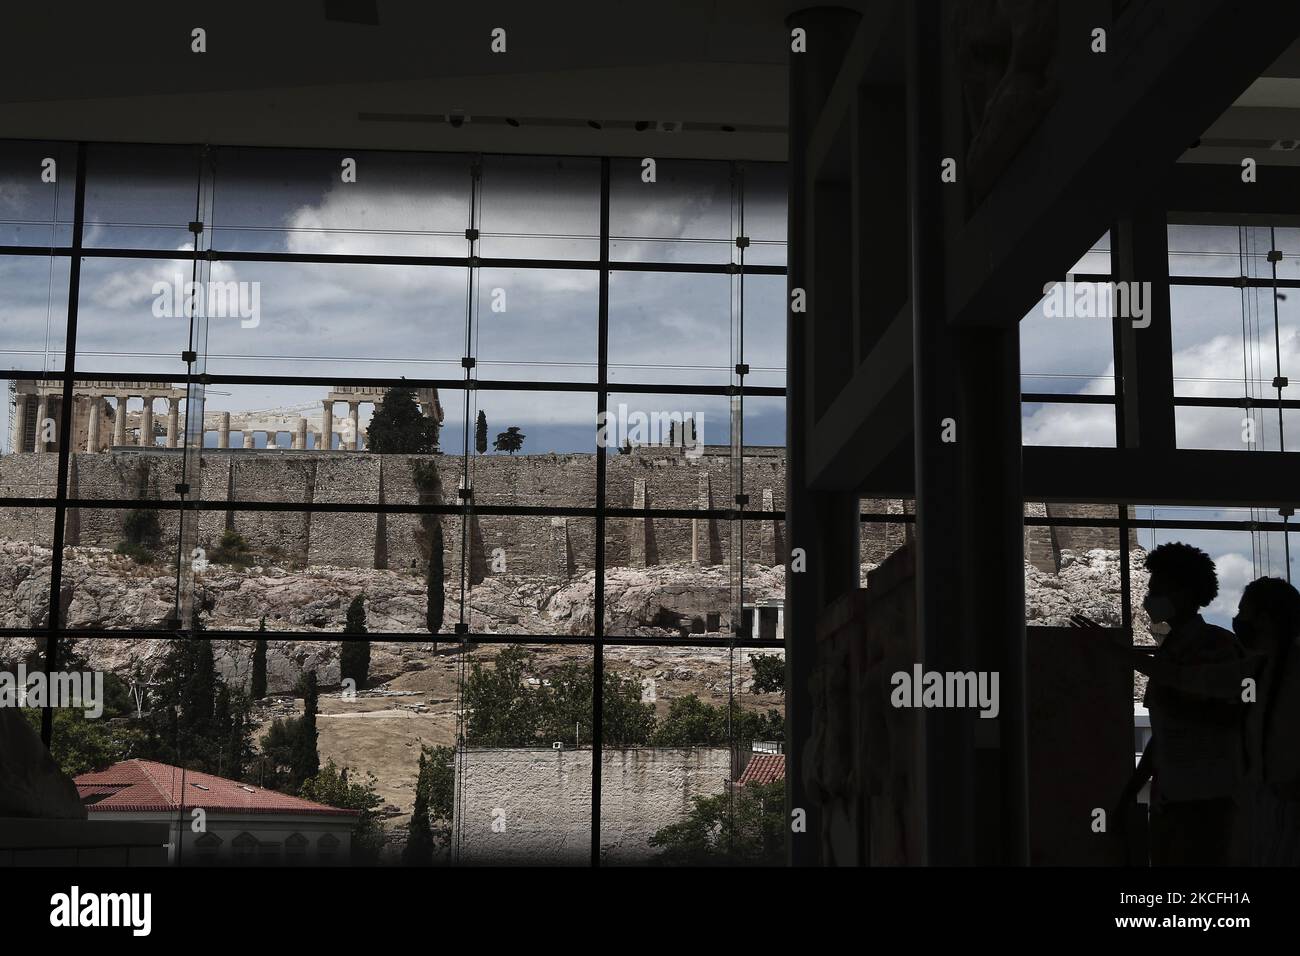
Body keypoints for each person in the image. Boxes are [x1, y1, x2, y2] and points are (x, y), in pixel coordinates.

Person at [1073, 542, 1255, 865]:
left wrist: (1118, 654)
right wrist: (1130, 794)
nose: (1149, 597)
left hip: (1207, 806)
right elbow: (1165, 733)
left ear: (1183, 593)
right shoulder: (1175, 649)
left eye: (1157, 588)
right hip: (1174, 803)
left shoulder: (1217, 646)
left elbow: (1215, 710)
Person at [1231, 576, 1300, 865]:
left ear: (1266, 619)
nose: (1238, 620)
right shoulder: (1259, 667)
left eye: (1244, 612)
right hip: (1263, 798)